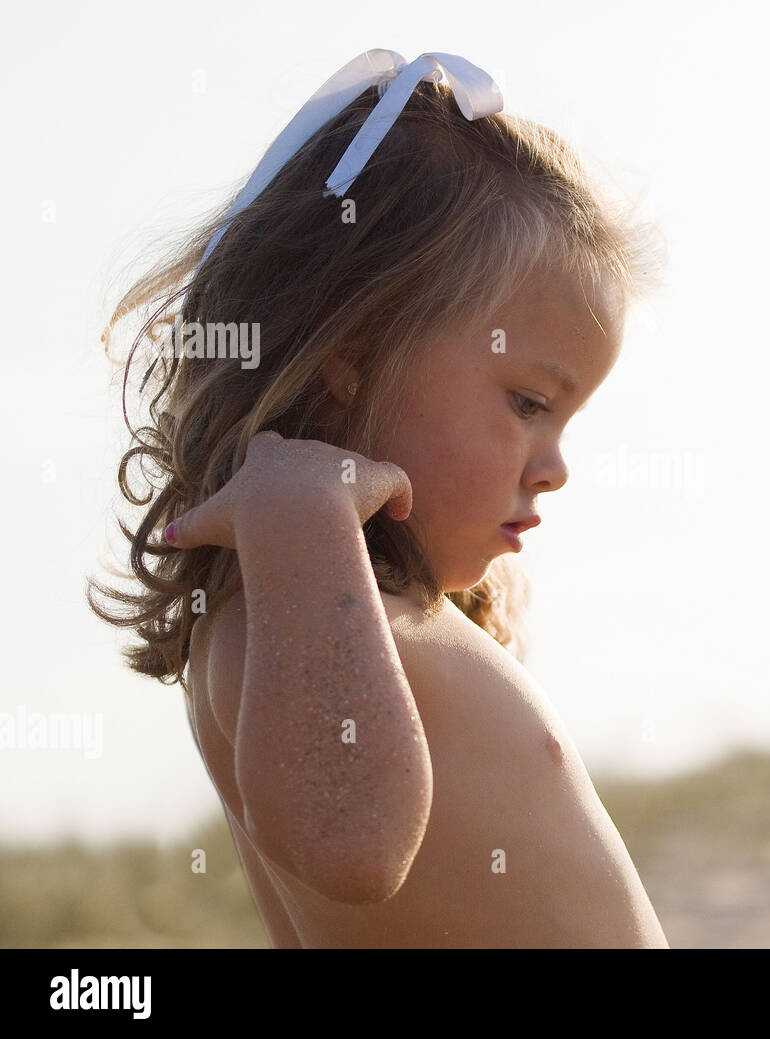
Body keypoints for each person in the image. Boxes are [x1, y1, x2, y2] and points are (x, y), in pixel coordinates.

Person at [86, 49, 669, 948]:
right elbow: (351, 846)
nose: (553, 466)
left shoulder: (336, 612)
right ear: (351, 353)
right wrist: (301, 520)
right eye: (526, 404)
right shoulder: (281, 601)